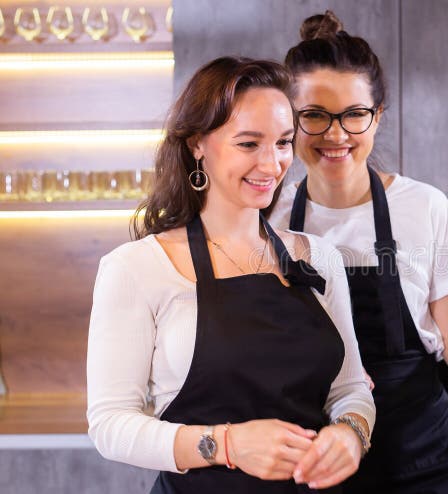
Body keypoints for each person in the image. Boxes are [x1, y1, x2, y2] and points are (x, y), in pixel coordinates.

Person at [86, 56, 375, 494]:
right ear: (197, 144)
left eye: (283, 142)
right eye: (248, 144)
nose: (272, 165)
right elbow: (110, 424)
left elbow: (350, 389)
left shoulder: (320, 258)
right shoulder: (136, 268)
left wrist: (352, 433)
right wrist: (227, 444)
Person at [269, 11, 448, 494]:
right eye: (314, 115)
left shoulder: (425, 206)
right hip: (309, 457)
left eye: (354, 114)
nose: (336, 134)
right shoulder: (267, 216)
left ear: (377, 116)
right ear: (289, 119)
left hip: (420, 456)